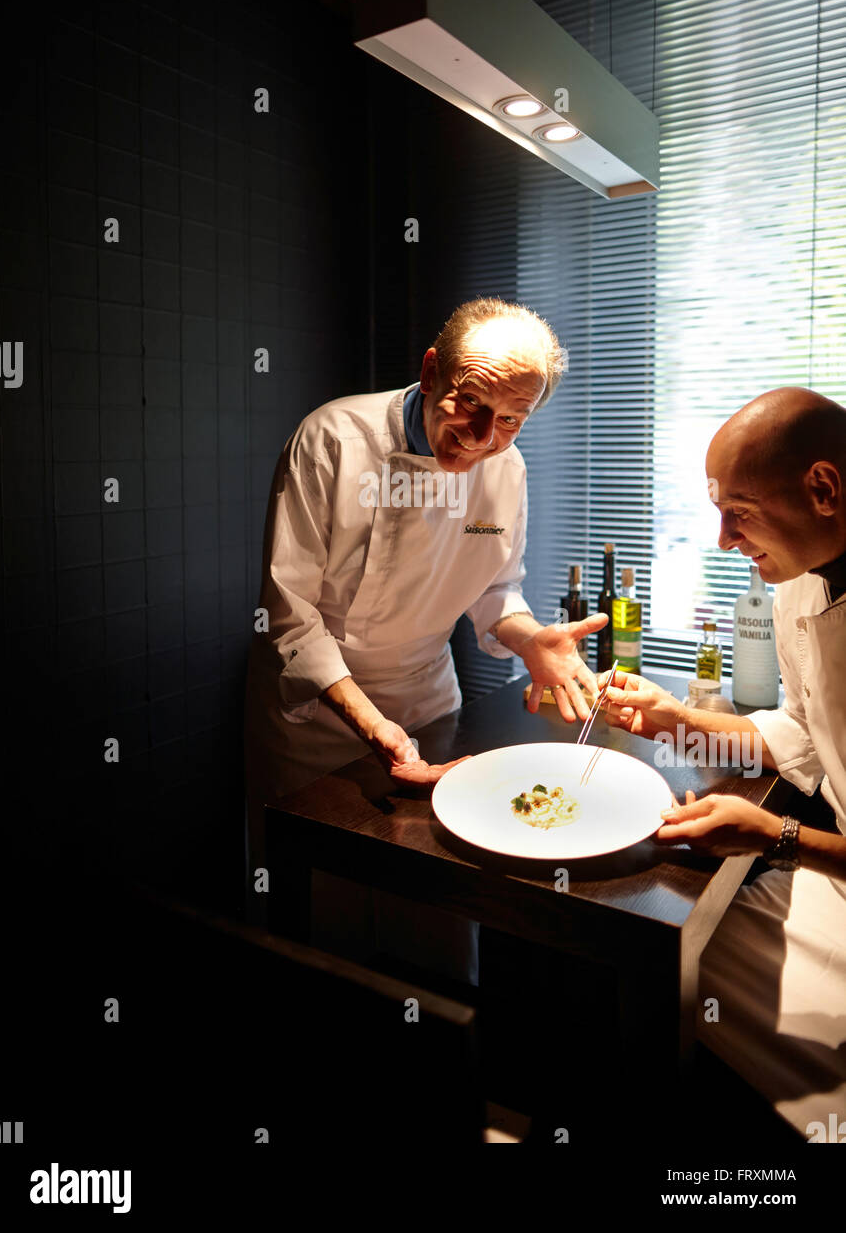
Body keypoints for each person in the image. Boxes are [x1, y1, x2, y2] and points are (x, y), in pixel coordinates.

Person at [244, 296, 606, 976]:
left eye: (509, 421)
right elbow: (288, 617)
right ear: (432, 369)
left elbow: (494, 592)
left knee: (433, 911)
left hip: (425, 702)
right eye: (468, 403)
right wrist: (370, 723)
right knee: (325, 923)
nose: (479, 437)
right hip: (315, 716)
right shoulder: (333, 438)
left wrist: (529, 640)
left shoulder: (509, 467)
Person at [600, 386, 846, 1139]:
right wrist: (682, 722)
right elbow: (803, 733)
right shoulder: (798, 583)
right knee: (664, 956)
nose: (721, 538)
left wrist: (774, 836)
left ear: (824, 488)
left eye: (738, 511)